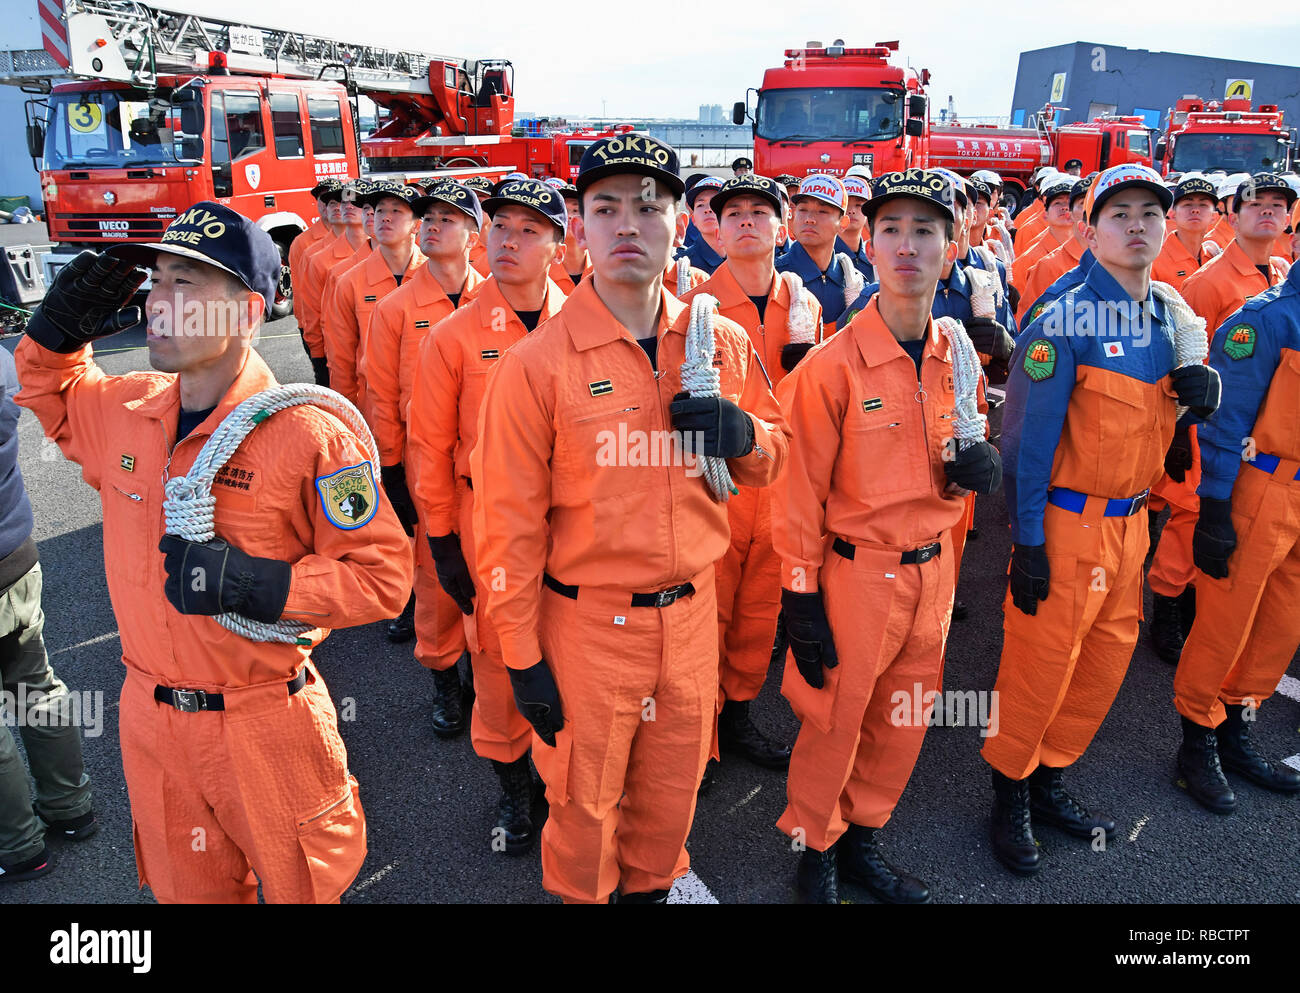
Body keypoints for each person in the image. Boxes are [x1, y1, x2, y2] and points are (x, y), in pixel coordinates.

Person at [16, 203, 413, 902]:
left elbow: (383, 576)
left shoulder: (310, 432)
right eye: (159, 280)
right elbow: (50, 391)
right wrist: (54, 331)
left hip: (265, 723)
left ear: (249, 310)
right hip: (152, 723)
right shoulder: (126, 408)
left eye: (188, 283)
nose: (159, 302)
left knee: (302, 890)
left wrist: (257, 585)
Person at [470, 135, 789, 904]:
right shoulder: (537, 365)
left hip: (690, 622)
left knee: (669, 806)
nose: (625, 225)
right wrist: (520, 656)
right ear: (579, 226)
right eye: (604, 207)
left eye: (648, 207)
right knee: (583, 813)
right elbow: (507, 528)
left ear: (683, 222)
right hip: (587, 633)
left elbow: (777, 458)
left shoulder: (721, 343)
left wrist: (743, 435)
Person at [772, 168, 1002, 904]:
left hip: (933, 575)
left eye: (925, 230)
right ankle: (816, 847)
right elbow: (798, 490)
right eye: (892, 229)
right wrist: (798, 596)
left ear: (953, 244)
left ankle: (864, 838)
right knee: (835, 722)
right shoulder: (831, 366)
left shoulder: (955, 356)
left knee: (904, 720)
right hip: (855, 577)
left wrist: (978, 465)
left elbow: (959, 456)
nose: (908, 245)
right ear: (866, 242)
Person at [985, 164, 1220, 877]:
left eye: (1152, 211)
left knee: (1104, 662)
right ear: (1092, 230)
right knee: (1039, 666)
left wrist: (1190, 406)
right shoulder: (1064, 319)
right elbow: (1024, 445)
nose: (1140, 225)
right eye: (1121, 213)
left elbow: (1161, 422)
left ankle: (1051, 775)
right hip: (1065, 523)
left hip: (1131, 525)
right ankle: (1010, 791)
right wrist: (1026, 542)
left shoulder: (1167, 315)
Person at [408, 178, 569, 853]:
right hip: (488, 522)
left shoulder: (585, 324)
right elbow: (429, 445)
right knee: (501, 660)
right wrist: (443, 539)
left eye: (528, 229)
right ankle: (514, 790)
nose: (508, 239)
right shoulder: (452, 337)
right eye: (499, 226)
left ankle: (567, 780)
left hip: (575, 520)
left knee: (570, 655)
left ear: (558, 248)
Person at [682, 174, 822, 778]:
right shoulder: (693, 310)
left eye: (759, 212)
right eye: (730, 211)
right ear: (712, 224)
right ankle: (700, 735)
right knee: (705, 619)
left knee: (760, 614)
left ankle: (737, 716)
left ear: (780, 227)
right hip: (718, 489)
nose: (744, 220)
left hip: (783, 484)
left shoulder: (806, 307)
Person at [1147, 173, 1294, 663]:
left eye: (1279, 205)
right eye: (1256, 205)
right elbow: (1182, 357)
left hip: (1265, 434)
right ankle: (1168, 605)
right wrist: (1181, 430)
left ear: (1291, 218)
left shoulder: (1280, 268)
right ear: (1234, 216)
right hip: (1212, 425)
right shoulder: (1209, 282)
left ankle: (1197, 605)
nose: (1268, 212)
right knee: (1191, 516)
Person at [1171, 262, 1300, 813]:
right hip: (1262, 488)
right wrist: (1216, 509)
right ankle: (1196, 743)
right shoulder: (1266, 320)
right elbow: (1224, 421)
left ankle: (1236, 730)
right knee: (1226, 622)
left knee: (1280, 626)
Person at [361, 180, 485, 732]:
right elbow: (380, 393)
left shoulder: (498, 301)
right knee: (435, 578)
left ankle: (487, 678)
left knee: (493, 577)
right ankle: (443, 678)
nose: (433, 226)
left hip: (493, 470)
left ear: (474, 236)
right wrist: (389, 468)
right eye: (428, 217)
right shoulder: (394, 309)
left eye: (449, 218)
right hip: (425, 463)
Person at [0, 347, 96, 883]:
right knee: (35, 685)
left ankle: (17, 846)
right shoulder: (3, 365)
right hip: (15, 558)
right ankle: (70, 808)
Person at [322, 183, 424, 408]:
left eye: (396, 211)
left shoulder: (433, 278)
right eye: (379, 210)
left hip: (429, 404)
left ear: (417, 225)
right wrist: (346, 411)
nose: (385, 217)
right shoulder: (349, 282)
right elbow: (341, 359)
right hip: (374, 406)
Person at [777, 175, 857, 331]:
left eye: (822, 211)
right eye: (802, 210)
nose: (809, 219)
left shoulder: (854, 283)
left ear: (843, 223)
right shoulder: (774, 276)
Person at [295, 181, 349, 385]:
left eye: (340, 200)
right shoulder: (303, 244)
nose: (332, 206)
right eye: (325, 199)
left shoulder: (363, 241)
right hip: (320, 330)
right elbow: (303, 296)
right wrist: (311, 337)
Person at [1017, 178, 1090, 325]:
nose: (1064, 208)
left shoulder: (1120, 262)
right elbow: (1027, 325)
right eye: (1058, 203)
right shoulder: (1040, 264)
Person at [1151, 174, 1219, 291]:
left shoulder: (1215, 259)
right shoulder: (1155, 261)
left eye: (1203, 205)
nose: (1195, 209)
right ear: (1172, 214)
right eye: (1187, 204)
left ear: (1214, 216)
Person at [1011, 175, 1076, 291]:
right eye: (1058, 203)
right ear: (1045, 212)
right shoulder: (1029, 259)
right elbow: (1019, 304)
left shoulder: (1091, 253)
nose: (1065, 208)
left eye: (1070, 203)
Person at [680, 176, 727, 275]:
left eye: (715, 202)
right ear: (693, 219)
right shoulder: (680, 267)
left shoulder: (752, 260)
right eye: (700, 205)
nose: (708, 209)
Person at [835, 175, 874, 281]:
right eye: (846, 204)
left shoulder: (875, 256)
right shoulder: (825, 256)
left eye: (858, 205)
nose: (851, 211)